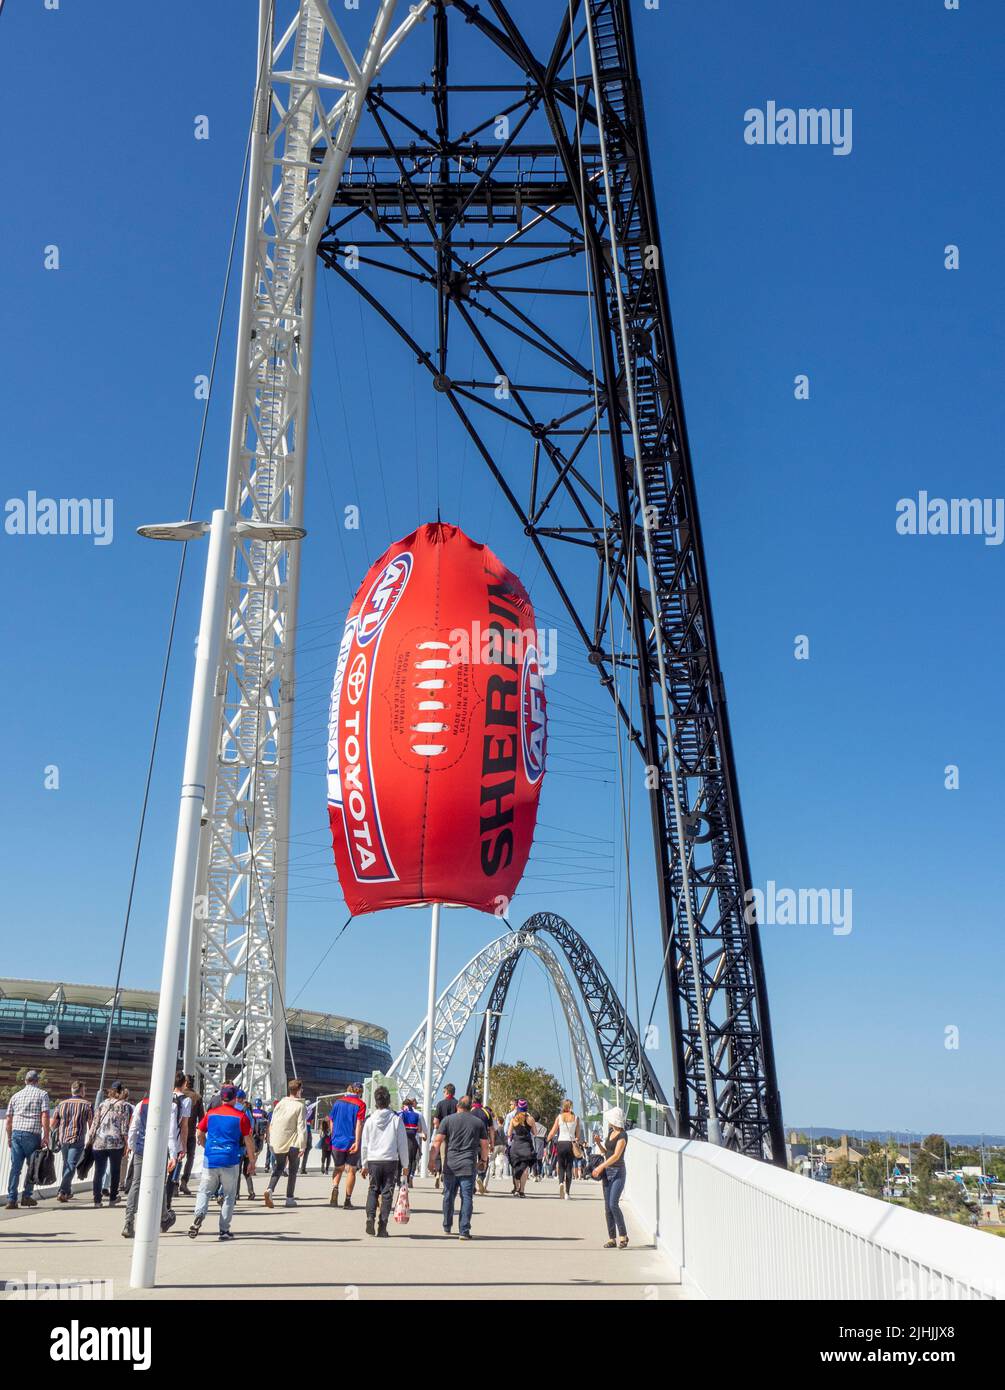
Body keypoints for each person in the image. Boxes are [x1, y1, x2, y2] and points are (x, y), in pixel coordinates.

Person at [189, 1083, 256, 1242]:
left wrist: (206, 1146)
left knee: (204, 1191)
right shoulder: (241, 1117)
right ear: (234, 1099)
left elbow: (199, 1133)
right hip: (230, 1159)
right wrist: (252, 1160)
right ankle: (224, 1230)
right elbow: (248, 1140)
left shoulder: (211, 1114)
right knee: (228, 1196)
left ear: (222, 1098)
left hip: (211, 1159)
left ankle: (199, 1215)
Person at [121, 1088, 180, 1238]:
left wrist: (133, 1146)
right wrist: (173, 1155)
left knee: (136, 1183)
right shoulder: (171, 1106)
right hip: (159, 1151)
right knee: (160, 1182)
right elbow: (172, 1134)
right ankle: (164, 1217)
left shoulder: (141, 1104)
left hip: (141, 1149)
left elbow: (133, 1128)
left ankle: (128, 1222)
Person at [432, 1095, 489, 1240]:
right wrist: (483, 1160)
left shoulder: (448, 1120)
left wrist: (432, 1160)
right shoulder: (478, 1123)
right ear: (470, 1108)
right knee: (467, 1197)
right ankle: (464, 1230)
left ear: (458, 1106)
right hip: (468, 1165)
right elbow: (484, 1145)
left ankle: (447, 1225)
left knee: (448, 1195)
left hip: (450, 1164)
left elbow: (437, 1142)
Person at [359, 1085, 409, 1237]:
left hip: (373, 1160)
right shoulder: (396, 1120)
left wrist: (364, 1164)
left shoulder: (370, 1120)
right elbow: (402, 1144)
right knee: (387, 1193)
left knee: (373, 1190)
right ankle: (382, 1226)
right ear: (388, 1101)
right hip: (390, 1161)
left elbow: (365, 1144)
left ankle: (370, 1217)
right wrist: (405, 1165)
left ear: (376, 1101)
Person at [4, 1068, 50, 1209]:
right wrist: (46, 1135)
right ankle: (26, 1196)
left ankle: (11, 1199)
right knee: (32, 1167)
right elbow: (45, 1116)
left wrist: (9, 1137)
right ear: (37, 1081)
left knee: (15, 1168)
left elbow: (9, 1120)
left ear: (25, 1080)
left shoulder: (15, 1096)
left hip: (17, 1133)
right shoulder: (42, 1094)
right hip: (32, 1134)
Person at [264, 1079, 307, 1209]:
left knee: (279, 1167)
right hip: (293, 1141)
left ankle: (270, 1189)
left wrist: (271, 1140)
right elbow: (302, 1127)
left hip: (278, 1140)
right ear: (299, 1090)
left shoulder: (280, 1103)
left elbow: (272, 1122)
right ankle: (289, 1198)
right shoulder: (300, 1106)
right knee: (293, 1170)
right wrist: (303, 1145)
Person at [591, 1107, 629, 1248]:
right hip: (607, 1172)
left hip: (618, 1171)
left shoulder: (622, 1135)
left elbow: (616, 1156)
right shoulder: (611, 1133)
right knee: (607, 1207)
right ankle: (612, 1238)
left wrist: (601, 1167)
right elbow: (607, 1152)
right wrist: (599, 1143)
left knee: (613, 1203)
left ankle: (623, 1236)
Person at [51, 1082, 92, 1204]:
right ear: (81, 1091)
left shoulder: (61, 1104)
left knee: (67, 1164)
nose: (85, 1092)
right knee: (71, 1165)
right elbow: (91, 1124)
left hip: (63, 1139)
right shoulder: (87, 1105)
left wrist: (54, 1136)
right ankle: (62, 1191)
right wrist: (91, 1139)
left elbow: (53, 1124)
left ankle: (67, 1192)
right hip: (77, 1138)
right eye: (84, 1089)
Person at [91, 1083, 131, 1208]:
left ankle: (97, 1200)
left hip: (99, 1142)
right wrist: (127, 1143)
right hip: (115, 1142)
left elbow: (95, 1122)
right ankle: (112, 1198)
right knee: (115, 1171)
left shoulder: (102, 1104)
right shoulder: (123, 1106)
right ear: (120, 1091)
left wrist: (90, 1138)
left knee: (99, 1172)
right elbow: (124, 1127)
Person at [328, 1083, 366, 1209]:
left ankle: (335, 1188)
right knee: (351, 1171)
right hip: (351, 1141)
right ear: (360, 1092)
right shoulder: (361, 1104)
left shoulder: (338, 1102)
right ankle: (347, 1200)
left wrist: (333, 1135)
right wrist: (357, 1141)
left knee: (338, 1168)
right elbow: (359, 1124)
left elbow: (331, 1120)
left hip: (337, 1141)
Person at [547, 1099, 582, 1200]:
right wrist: (576, 1139)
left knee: (561, 1166)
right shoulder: (576, 1118)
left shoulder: (559, 1117)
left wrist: (547, 1140)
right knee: (569, 1167)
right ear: (571, 1106)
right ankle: (567, 1193)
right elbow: (578, 1135)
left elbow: (553, 1132)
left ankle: (561, 1182)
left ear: (563, 1106)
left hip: (560, 1143)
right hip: (570, 1144)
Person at [179, 1074, 205, 1196]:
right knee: (190, 1157)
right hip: (190, 1133)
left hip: (176, 1132)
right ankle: (184, 1181)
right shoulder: (197, 1097)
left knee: (176, 1156)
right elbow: (202, 1119)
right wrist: (201, 1134)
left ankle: (173, 1182)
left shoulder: (177, 1095)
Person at [431, 1083, 458, 1188]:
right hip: (455, 1134)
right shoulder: (457, 1104)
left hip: (443, 1134)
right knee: (453, 1156)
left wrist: (438, 1129)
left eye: (444, 1092)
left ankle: (441, 1174)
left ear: (447, 1092)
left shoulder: (440, 1104)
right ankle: (451, 1178)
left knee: (443, 1156)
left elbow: (436, 1121)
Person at [508, 1103, 537, 1196]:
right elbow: (535, 1133)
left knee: (516, 1167)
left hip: (516, 1145)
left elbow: (509, 1133)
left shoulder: (514, 1119)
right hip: (527, 1146)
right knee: (525, 1169)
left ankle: (516, 1188)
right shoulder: (531, 1119)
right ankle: (522, 1190)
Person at [399, 1098, 425, 1186]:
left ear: (403, 1105)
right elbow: (422, 1128)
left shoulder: (401, 1113)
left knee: (400, 1159)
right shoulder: (417, 1114)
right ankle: (409, 1177)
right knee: (412, 1160)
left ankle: (400, 1179)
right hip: (414, 1140)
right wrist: (425, 1136)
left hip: (402, 1139)